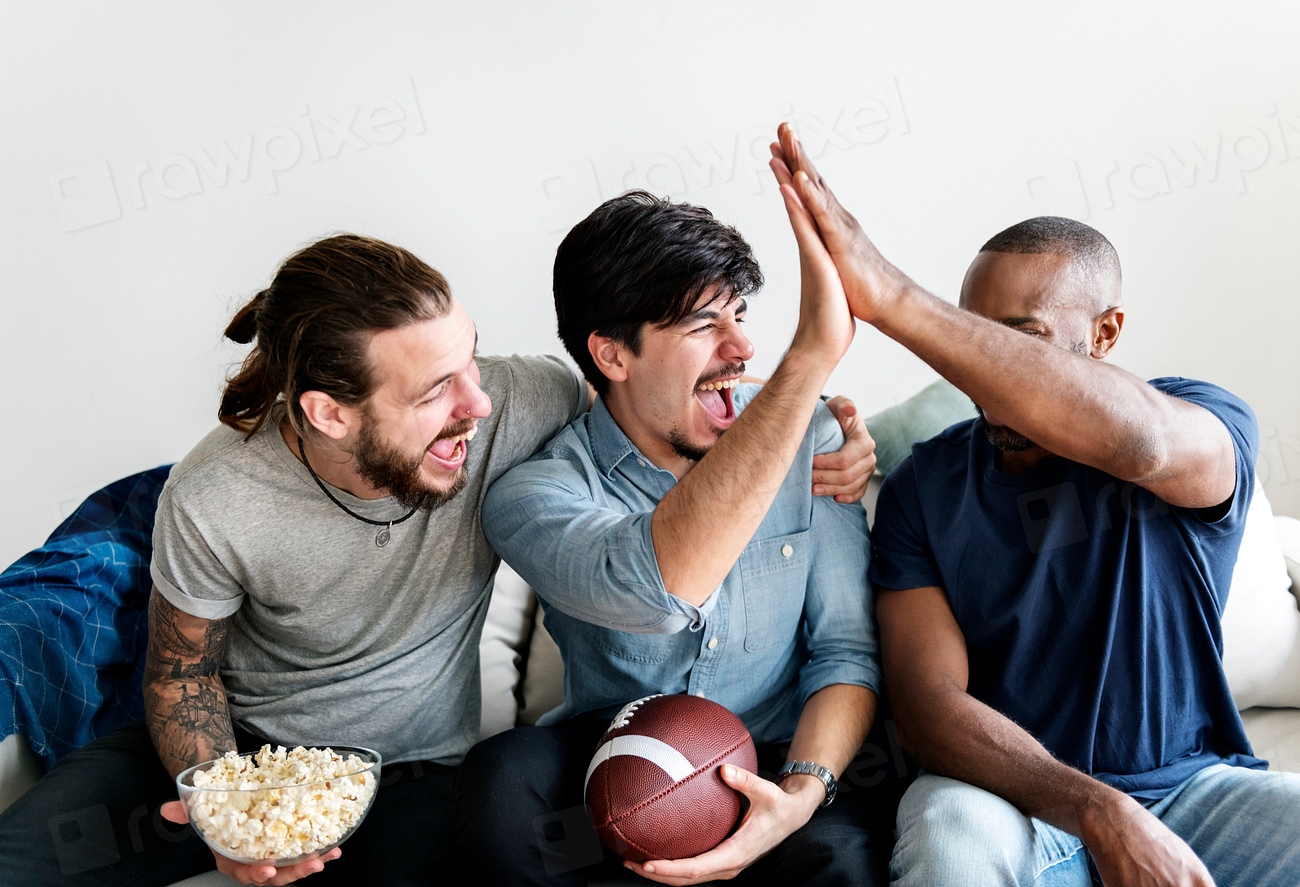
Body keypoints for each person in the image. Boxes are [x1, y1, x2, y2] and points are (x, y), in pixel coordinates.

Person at [0, 232, 874, 887]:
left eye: (470, 362)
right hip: (249, 750)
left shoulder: (522, 403)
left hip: (413, 770)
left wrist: (820, 427)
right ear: (329, 413)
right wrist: (232, 810)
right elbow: (181, 671)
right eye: (434, 391)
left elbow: (657, 415)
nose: (478, 404)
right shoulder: (218, 494)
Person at [767, 124, 1300, 885]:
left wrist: (892, 295)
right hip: (1008, 800)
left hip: (1195, 793)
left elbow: (1140, 443)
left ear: (1106, 332)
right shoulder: (926, 485)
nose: (989, 374)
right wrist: (1097, 809)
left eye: (1019, 342)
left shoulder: (1202, 421)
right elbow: (927, 707)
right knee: (948, 833)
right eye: (973, 340)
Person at [456, 188, 898, 887]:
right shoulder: (534, 495)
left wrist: (800, 793)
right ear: (612, 353)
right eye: (702, 326)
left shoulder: (811, 436)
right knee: (504, 790)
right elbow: (661, 589)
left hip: (776, 760)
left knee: (840, 858)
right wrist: (809, 356)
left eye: (741, 315)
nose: (743, 348)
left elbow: (845, 648)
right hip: (616, 771)